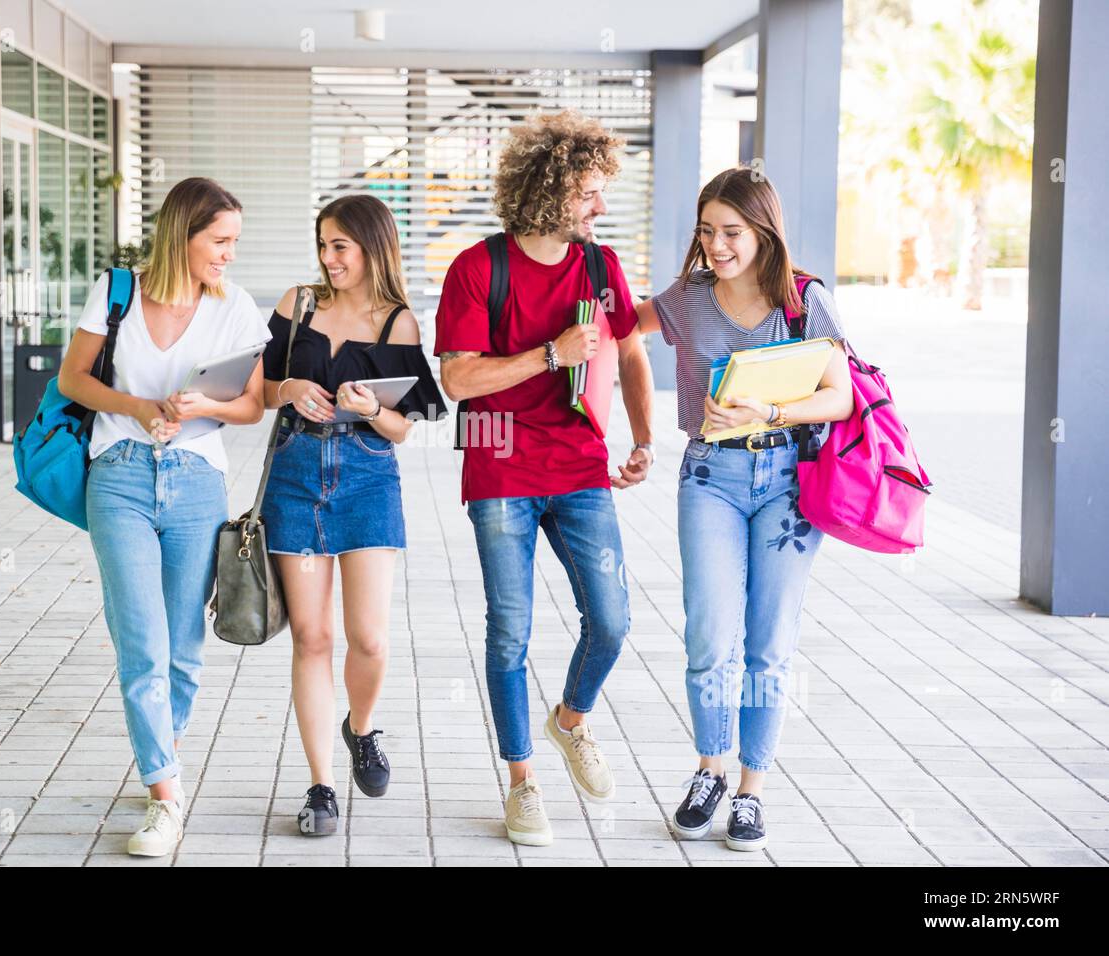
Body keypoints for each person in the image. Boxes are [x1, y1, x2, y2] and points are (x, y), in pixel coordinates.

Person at [434, 110, 656, 847]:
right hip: (499, 463)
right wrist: (550, 355)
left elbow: (629, 354)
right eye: (588, 193)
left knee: (612, 621)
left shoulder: (600, 266)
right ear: (547, 190)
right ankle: (522, 781)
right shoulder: (477, 268)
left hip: (580, 465)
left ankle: (570, 721)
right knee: (510, 633)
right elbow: (459, 380)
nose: (600, 206)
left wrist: (644, 439)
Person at [636, 165, 854, 851]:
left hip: (788, 482)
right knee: (709, 635)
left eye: (731, 231)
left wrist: (771, 411)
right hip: (711, 477)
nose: (716, 245)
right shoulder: (688, 297)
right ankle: (710, 770)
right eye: (706, 231)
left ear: (763, 231)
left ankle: (751, 791)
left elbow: (840, 396)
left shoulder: (803, 300)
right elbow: (615, 324)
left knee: (768, 643)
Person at [57, 177, 270, 856]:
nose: (230, 254)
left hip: (197, 482)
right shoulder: (117, 291)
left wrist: (205, 407)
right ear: (184, 234)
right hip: (119, 476)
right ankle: (164, 796)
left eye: (234, 241)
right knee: (142, 643)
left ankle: (162, 759)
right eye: (220, 240)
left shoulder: (235, 307)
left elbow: (252, 405)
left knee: (183, 647)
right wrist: (138, 408)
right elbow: (71, 379)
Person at [261, 194, 445, 836]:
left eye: (340, 245)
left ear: (372, 246)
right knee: (311, 638)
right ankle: (320, 786)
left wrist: (370, 409)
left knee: (369, 638)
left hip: (367, 478)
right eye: (323, 244)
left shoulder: (398, 323)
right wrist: (287, 389)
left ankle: (360, 729)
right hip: (294, 473)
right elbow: (257, 390)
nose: (328, 257)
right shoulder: (299, 305)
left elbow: (405, 427)